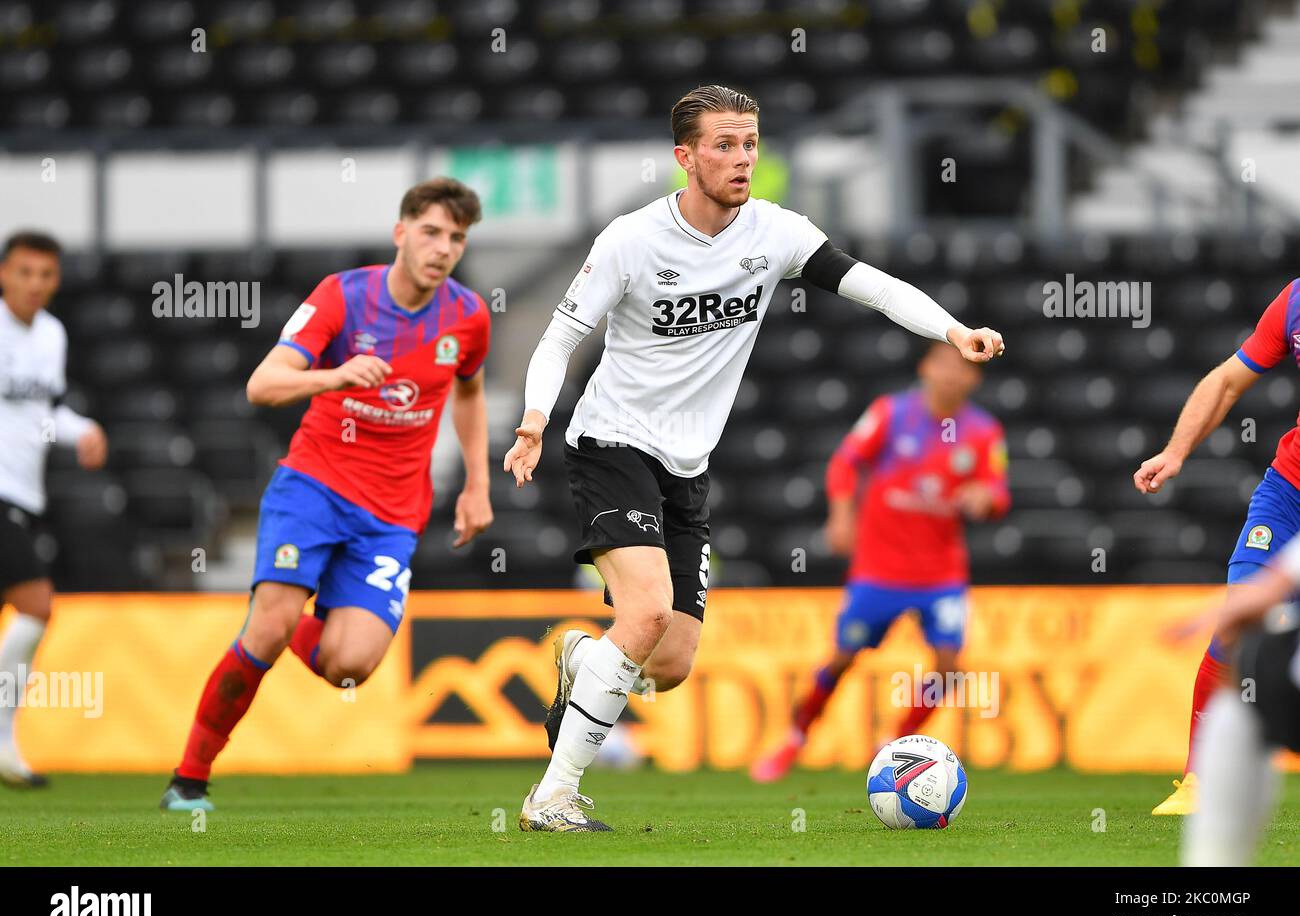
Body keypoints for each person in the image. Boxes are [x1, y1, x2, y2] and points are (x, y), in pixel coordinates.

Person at [503, 84, 1005, 832]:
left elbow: (870, 285)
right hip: (612, 442)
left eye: (750, 145)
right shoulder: (630, 240)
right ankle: (554, 796)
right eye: (724, 146)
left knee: (668, 665)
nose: (742, 160)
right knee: (642, 616)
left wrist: (951, 330)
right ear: (686, 157)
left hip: (687, 466)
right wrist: (534, 419)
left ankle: (583, 657)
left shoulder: (775, 232)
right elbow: (558, 337)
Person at [160, 178, 493, 811]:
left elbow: (471, 394)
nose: (442, 247)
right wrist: (334, 374)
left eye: (456, 237)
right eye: (430, 231)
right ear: (401, 233)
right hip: (315, 485)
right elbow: (263, 384)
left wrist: (476, 483)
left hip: (394, 512)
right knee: (266, 631)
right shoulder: (344, 296)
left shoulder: (469, 315)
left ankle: (284, 618)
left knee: (350, 666)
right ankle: (189, 779)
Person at [751, 342, 1009, 782]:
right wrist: (840, 516)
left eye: (961, 369)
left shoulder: (984, 432)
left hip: (941, 573)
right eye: (943, 363)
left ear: (974, 379)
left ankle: (894, 746)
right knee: (842, 659)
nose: (951, 374)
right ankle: (795, 737)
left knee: (948, 669)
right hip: (879, 569)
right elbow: (845, 463)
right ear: (926, 367)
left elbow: (998, 492)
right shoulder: (891, 414)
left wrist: (984, 499)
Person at [1134, 276, 1300, 815]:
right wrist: (1176, 452)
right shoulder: (1296, 299)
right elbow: (1228, 380)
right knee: (1237, 619)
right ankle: (1198, 783)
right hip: (1289, 491)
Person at [0, 231, 108, 788]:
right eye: (24, 272)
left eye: (45, 274)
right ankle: (3, 744)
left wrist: (82, 431)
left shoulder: (51, 335)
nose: (34, 284)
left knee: (33, 610)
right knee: (36, 604)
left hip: (22, 495)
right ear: (4, 274)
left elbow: (44, 411)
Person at [1176, 541, 1300, 865]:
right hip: (1288, 493)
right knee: (1243, 662)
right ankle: (1198, 787)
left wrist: (1276, 584)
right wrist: (1274, 585)